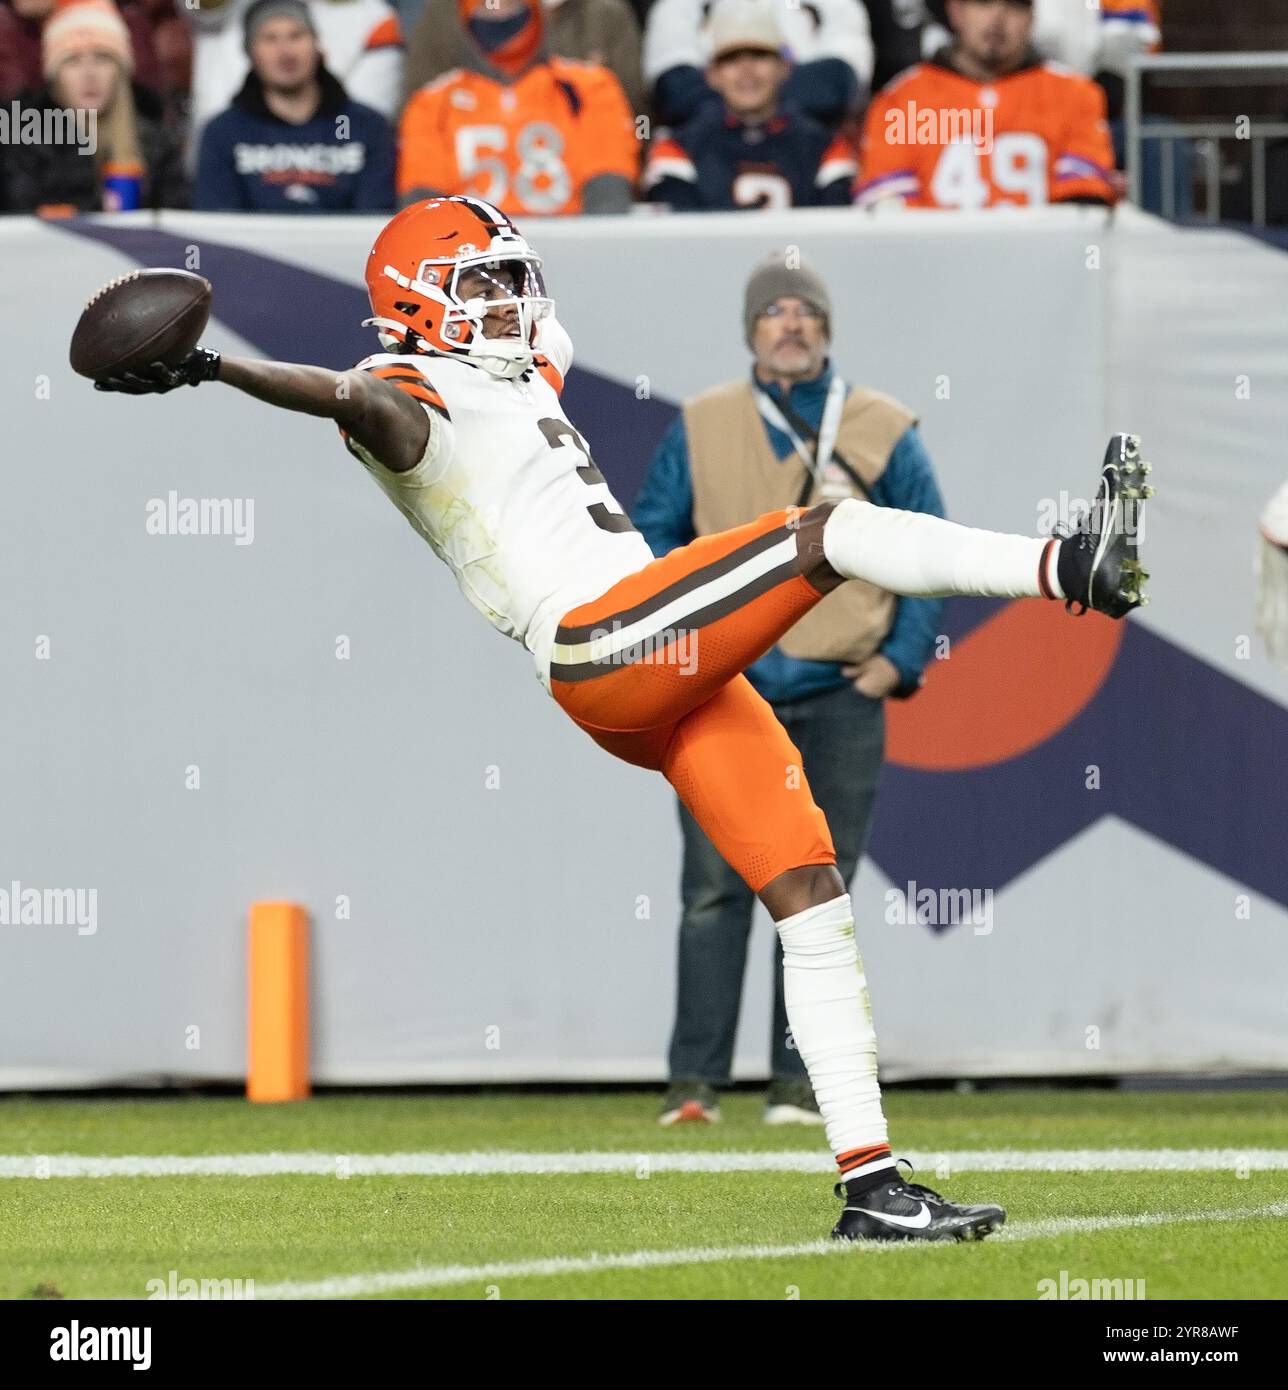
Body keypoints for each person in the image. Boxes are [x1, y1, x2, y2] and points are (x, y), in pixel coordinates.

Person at [90, 193, 1153, 1242]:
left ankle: (871, 1184)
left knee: (808, 886)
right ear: (416, 306)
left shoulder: (517, 367)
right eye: (481, 286)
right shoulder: (402, 389)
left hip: (653, 670)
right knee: (827, 533)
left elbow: (537, 330)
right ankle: (1071, 564)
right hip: (606, 640)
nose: (509, 301)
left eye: (512, 280)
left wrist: (488, 266)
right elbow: (345, 395)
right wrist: (219, 365)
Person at [634, 252, 944, 1125]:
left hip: (842, 690)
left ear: (826, 326)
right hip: (726, 694)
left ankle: (801, 1087)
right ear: (750, 330)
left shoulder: (883, 425)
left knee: (820, 891)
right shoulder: (701, 422)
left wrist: (899, 662)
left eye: (804, 309)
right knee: (712, 890)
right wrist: (688, 652)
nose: (791, 322)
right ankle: (692, 1086)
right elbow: (651, 542)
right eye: (772, 310)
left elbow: (930, 545)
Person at [855, 0, 1117, 209]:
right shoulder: (901, 100)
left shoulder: (1076, 94)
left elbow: (1083, 207)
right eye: (983, 2)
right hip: (933, 270)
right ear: (955, 11)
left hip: (1043, 268)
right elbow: (888, 215)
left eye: (1015, 4)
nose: (998, 17)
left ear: (1032, 17)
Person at [398, 0, 637, 216]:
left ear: (535, 10)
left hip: (573, 245)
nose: (499, 13)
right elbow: (423, 211)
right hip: (470, 255)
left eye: (510, 3)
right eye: (485, 4)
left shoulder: (590, 89)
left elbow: (609, 193)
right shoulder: (432, 104)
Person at [643, 0, 857, 211]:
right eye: (732, 59)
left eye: (759, 55)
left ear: (784, 68)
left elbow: (838, 231)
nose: (747, 69)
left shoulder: (826, 146)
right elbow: (675, 236)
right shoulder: (678, 146)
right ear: (712, 75)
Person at [194, 0, 395, 213]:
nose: (285, 52)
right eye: (270, 38)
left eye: (296, 36)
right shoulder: (222, 133)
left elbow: (376, 222)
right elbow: (217, 227)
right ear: (250, 52)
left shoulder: (369, 128)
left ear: (317, 45)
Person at [4, 0, 186, 214]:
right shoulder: (27, 143)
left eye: (102, 58)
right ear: (55, 76)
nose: (89, 74)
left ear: (120, 71)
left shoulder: (155, 142)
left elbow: (179, 218)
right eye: (73, 60)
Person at [644, 0, 872, 130]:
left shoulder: (831, 6)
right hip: (706, 159)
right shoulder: (679, 7)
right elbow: (677, 95)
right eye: (732, 60)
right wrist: (766, 85)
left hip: (809, 154)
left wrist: (738, 86)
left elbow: (833, 90)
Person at [402, 0, 646, 118]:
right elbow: (414, 112)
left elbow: (637, 118)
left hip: (580, 189)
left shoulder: (606, 15)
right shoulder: (446, 15)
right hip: (470, 182)